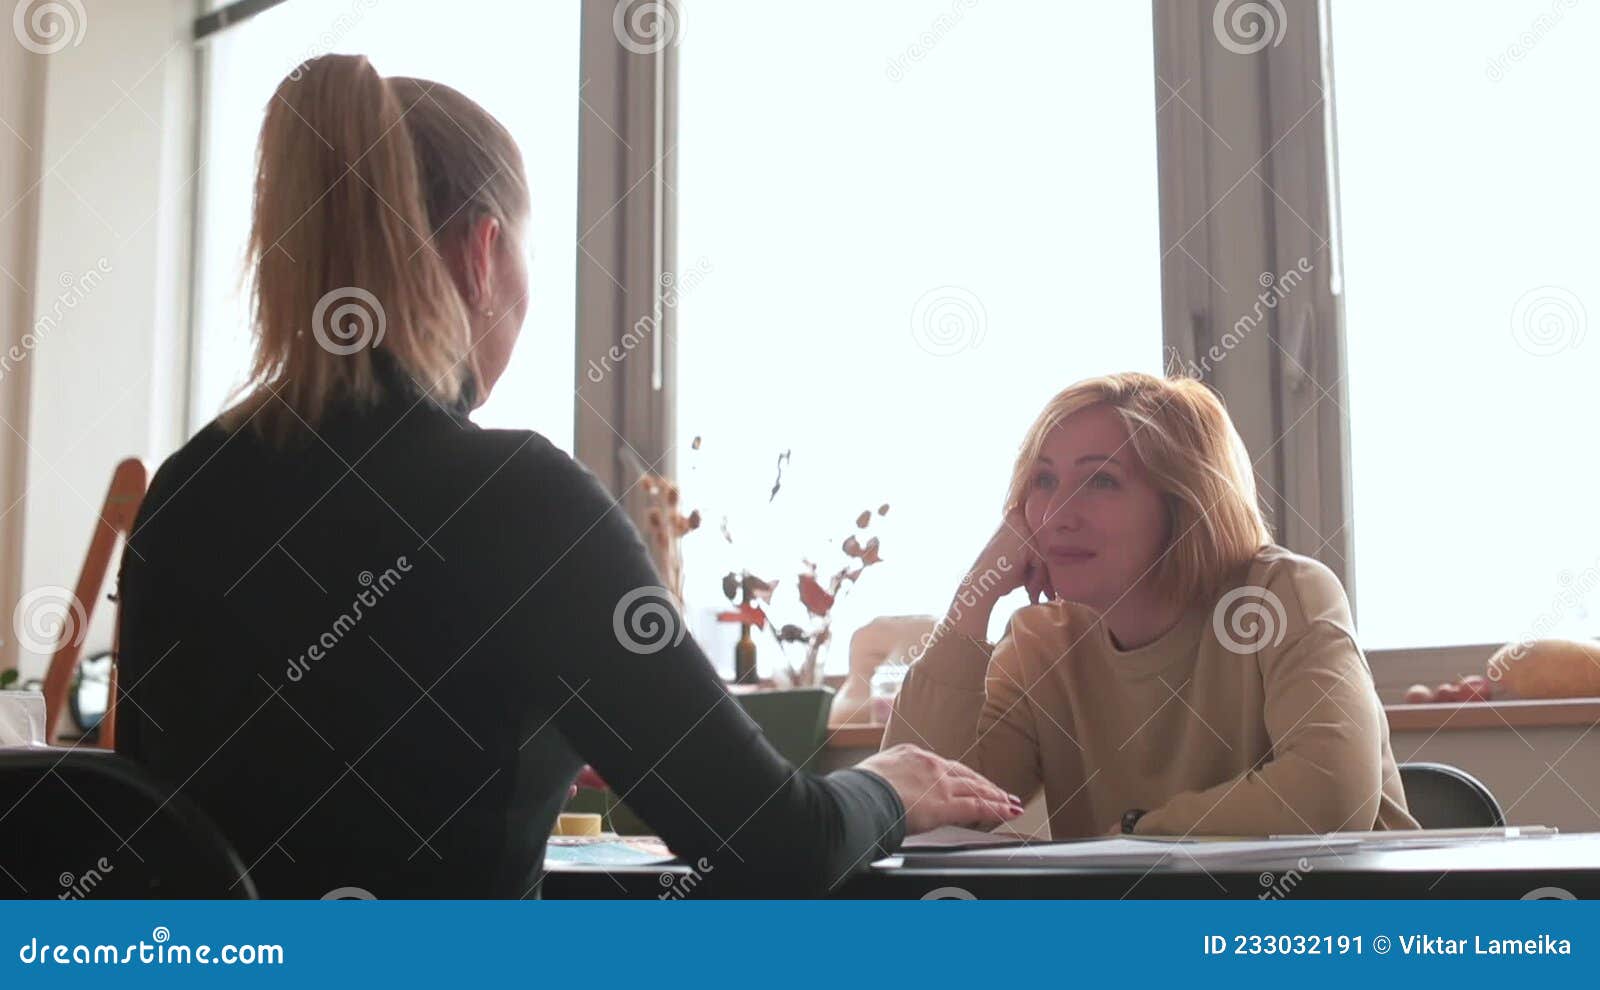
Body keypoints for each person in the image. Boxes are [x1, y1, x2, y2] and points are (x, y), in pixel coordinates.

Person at [115, 54, 1021, 899]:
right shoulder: (512, 499)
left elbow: (153, 828)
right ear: (482, 255)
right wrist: (890, 786)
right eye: (528, 258)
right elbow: (772, 843)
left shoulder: (186, 489)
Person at [883, 373, 1419, 838]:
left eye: (1101, 481)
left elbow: (1329, 795)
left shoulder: (1283, 595)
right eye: (1044, 480)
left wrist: (1140, 831)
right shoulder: (1038, 643)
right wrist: (970, 602)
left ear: (1183, 503)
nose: (1056, 515)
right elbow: (915, 804)